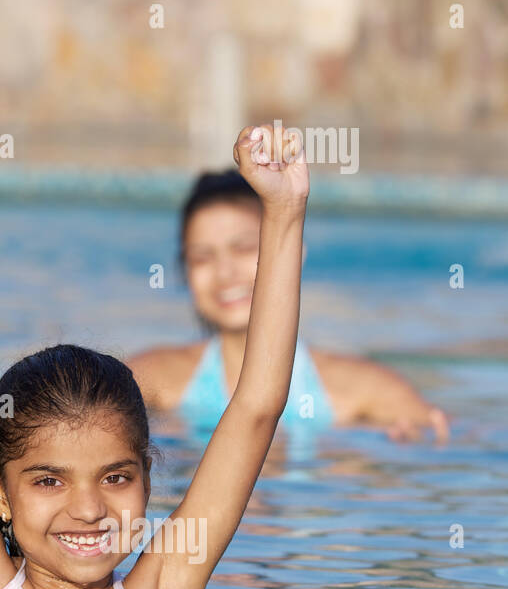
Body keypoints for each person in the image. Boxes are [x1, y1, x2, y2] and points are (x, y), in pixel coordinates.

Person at [0, 98, 309, 589]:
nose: (90, 509)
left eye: (116, 478)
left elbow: (257, 406)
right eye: (48, 480)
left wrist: (283, 211)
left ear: (146, 477)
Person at [128, 169, 449, 441]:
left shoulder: (366, 389)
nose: (225, 273)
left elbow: (436, 440)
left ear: (292, 253)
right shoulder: (154, 379)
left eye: (243, 248)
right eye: (202, 257)